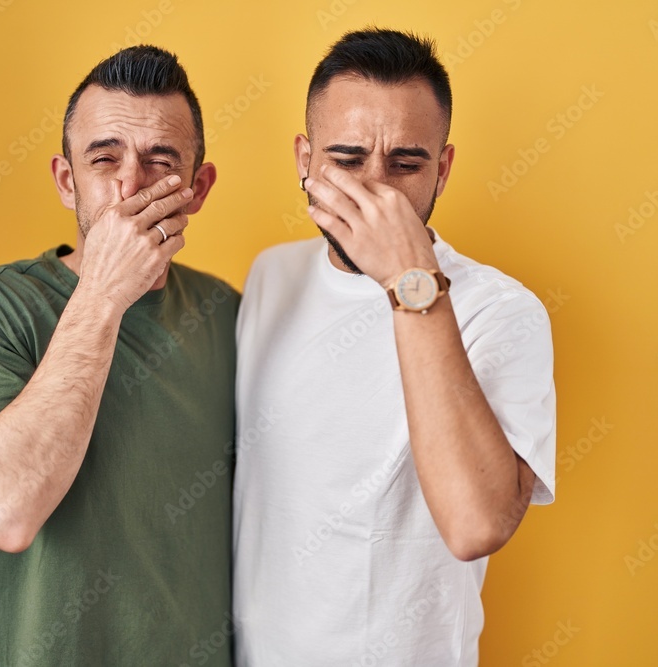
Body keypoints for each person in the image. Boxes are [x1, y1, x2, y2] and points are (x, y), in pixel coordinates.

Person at [233, 28, 556, 665]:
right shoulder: (272, 275)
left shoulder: (503, 312)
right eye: (347, 160)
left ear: (444, 166)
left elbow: (475, 526)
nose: (376, 191)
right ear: (304, 159)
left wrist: (412, 281)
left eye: (406, 164)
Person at [0, 46, 237, 667]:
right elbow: (4, 514)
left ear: (199, 188)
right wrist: (103, 292)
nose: (131, 184)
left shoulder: (230, 316)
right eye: (105, 159)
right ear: (67, 180)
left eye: (162, 161)